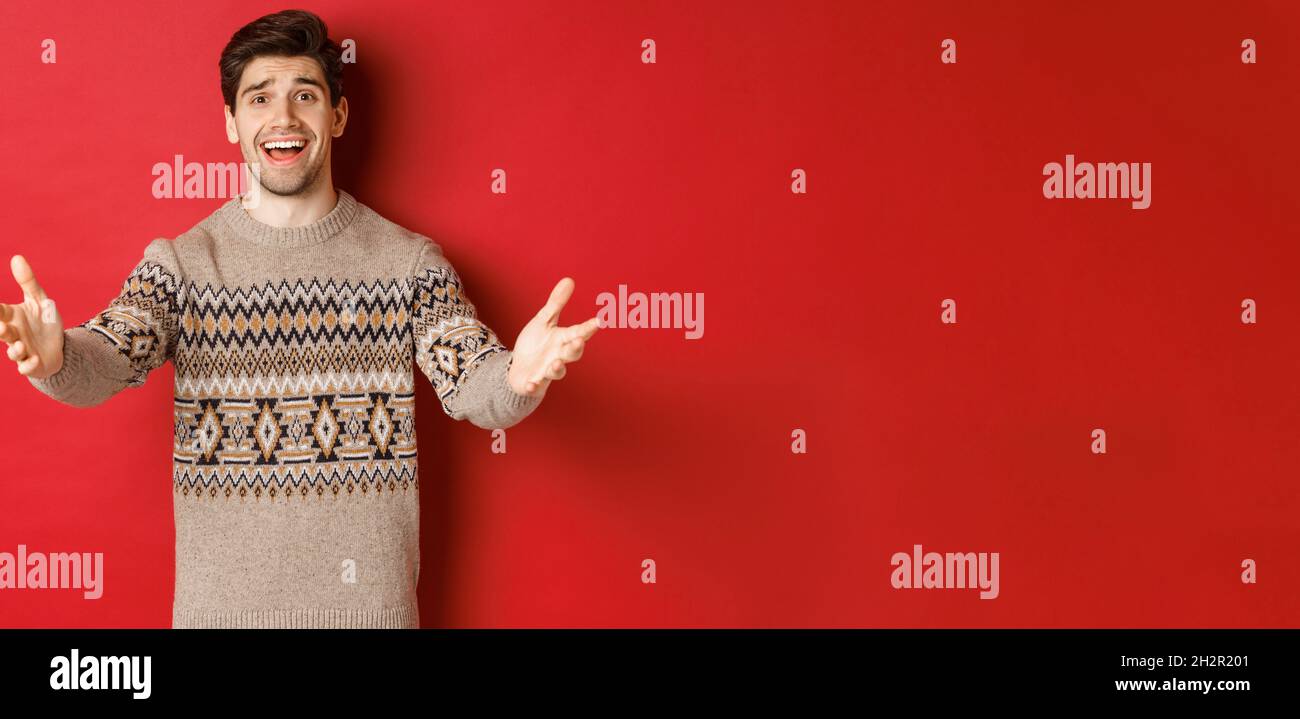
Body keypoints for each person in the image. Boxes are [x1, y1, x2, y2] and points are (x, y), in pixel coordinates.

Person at [0, 9, 599, 628]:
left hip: (370, 617)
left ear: (336, 116)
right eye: (259, 98)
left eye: (304, 96)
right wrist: (58, 360)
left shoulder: (407, 263)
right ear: (231, 122)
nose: (282, 117)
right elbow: (106, 359)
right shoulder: (181, 264)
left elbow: (473, 381)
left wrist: (518, 378)